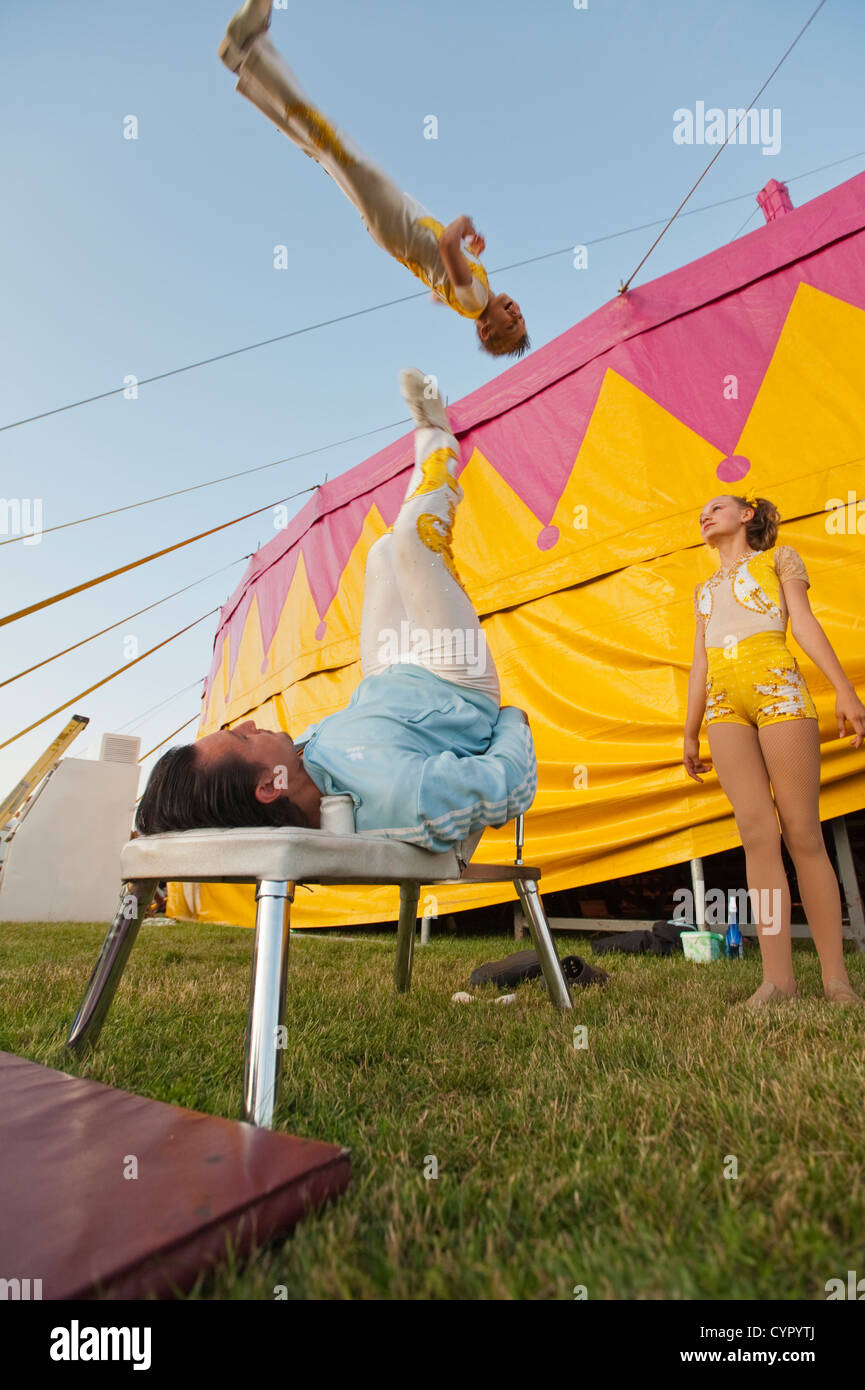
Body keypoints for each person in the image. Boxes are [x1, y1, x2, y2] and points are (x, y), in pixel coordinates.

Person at [136, 368, 536, 851]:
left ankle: (432, 454)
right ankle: (438, 445)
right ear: (269, 787)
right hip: (457, 687)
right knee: (412, 542)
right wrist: (512, 719)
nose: (245, 723)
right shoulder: (396, 798)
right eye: (242, 740)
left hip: (389, 678)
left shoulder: (301, 766)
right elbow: (509, 785)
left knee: (383, 554)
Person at [216, 0, 529, 358]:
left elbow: (444, 246)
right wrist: (456, 263)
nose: (516, 313)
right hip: (391, 230)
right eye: (520, 317)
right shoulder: (472, 295)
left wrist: (465, 226)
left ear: (485, 329)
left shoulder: (475, 299)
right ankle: (247, 64)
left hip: (395, 221)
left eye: (510, 325)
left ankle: (248, 50)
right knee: (323, 150)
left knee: (332, 143)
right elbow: (438, 286)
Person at [683, 491, 865, 1009]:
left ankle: (837, 981)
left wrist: (844, 689)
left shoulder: (779, 560)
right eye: (703, 509)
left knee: (803, 833)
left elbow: (802, 621)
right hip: (724, 706)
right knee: (757, 836)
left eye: (716, 506)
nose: (705, 512)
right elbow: (700, 664)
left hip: (778, 689)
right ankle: (777, 980)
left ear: (747, 515)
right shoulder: (702, 590)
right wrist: (690, 730)